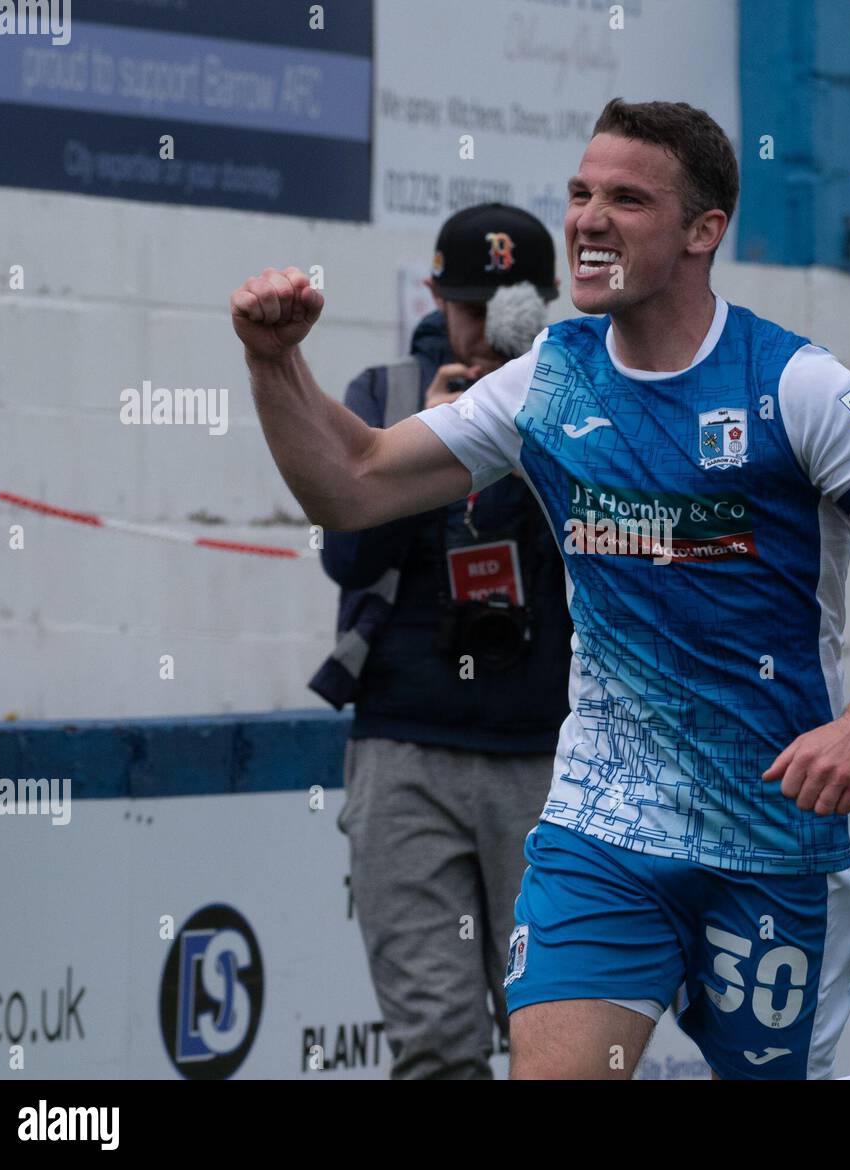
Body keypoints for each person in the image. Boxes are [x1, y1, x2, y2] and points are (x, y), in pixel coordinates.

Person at [231, 97, 850, 1081]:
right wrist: (271, 361)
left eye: (627, 198)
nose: (588, 219)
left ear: (701, 230)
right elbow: (352, 484)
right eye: (580, 193)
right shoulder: (549, 378)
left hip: (772, 833)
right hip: (602, 831)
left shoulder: (797, 387)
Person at [307, 204, 572, 1079]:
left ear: (542, 306)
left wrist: (527, 439)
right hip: (405, 749)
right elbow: (347, 558)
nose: (484, 326)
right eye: (468, 306)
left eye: (505, 308)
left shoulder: (579, 403)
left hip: (547, 757)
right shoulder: (383, 398)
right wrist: (432, 445)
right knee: (435, 1044)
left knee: (563, 1047)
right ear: (434, 294)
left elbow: (606, 561)